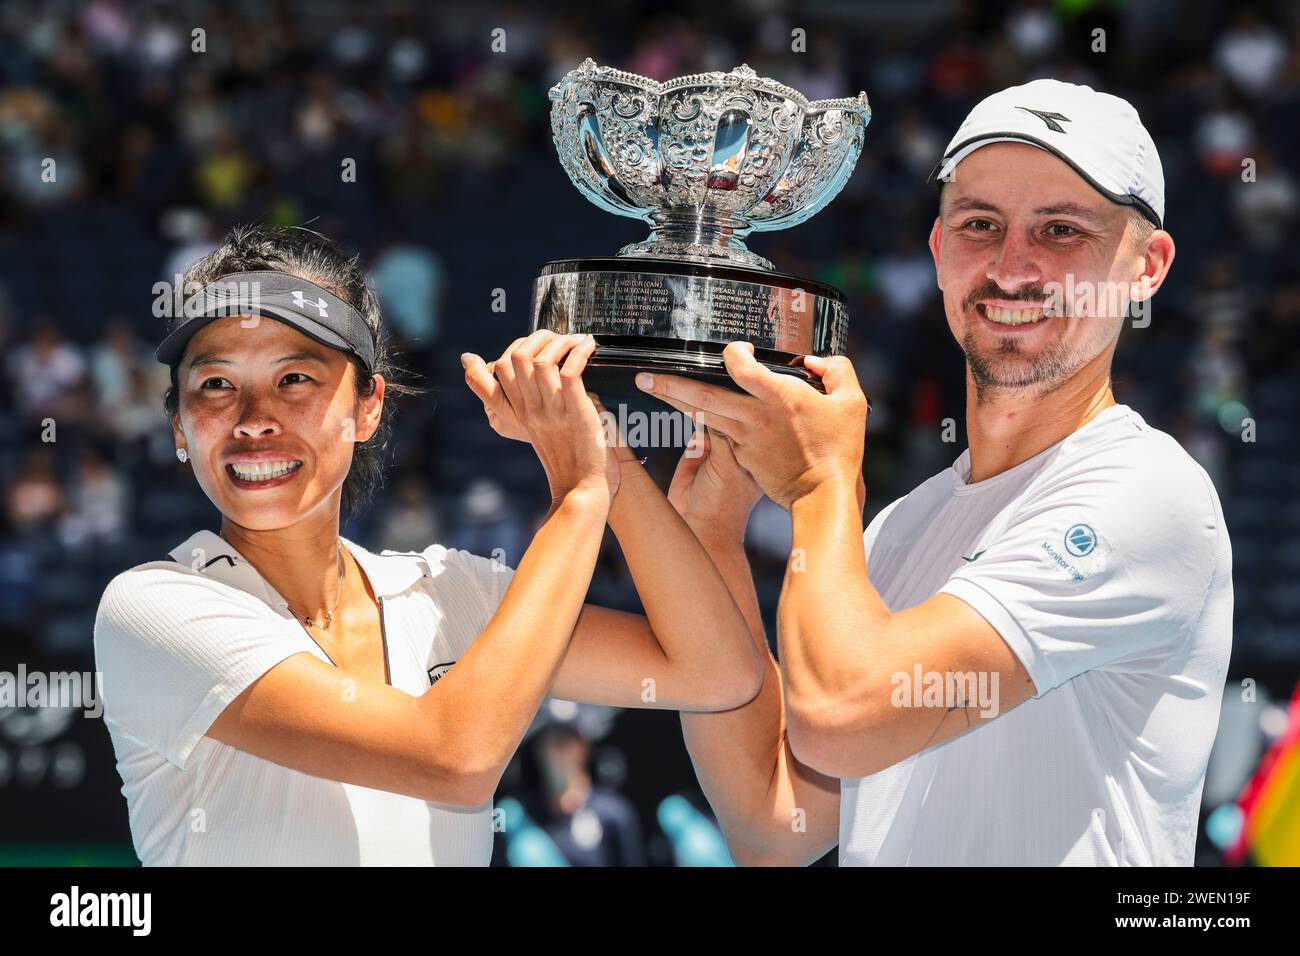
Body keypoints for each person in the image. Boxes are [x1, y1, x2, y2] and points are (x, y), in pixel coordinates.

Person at [634, 79, 1233, 865]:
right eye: (980, 224)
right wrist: (713, 533)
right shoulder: (901, 527)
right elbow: (773, 824)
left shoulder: (1151, 493)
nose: (1013, 267)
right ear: (940, 251)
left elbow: (842, 717)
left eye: (1061, 230)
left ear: (1147, 267)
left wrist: (818, 489)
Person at [92, 224, 760, 866]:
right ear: (179, 425)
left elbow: (716, 671)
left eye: (295, 379)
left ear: (369, 406)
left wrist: (601, 451)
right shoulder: (153, 606)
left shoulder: (451, 594)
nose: (254, 420)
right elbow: (456, 759)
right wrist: (580, 495)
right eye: (216, 385)